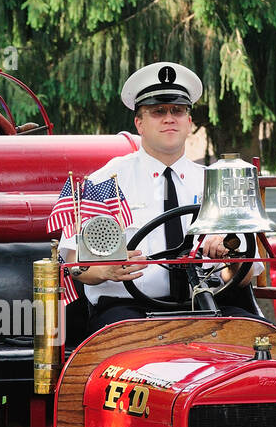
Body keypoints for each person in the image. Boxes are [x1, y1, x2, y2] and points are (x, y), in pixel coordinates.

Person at [56, 62, 257, 334]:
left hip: (209, 305)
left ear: (189, 123)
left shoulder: (220, 183)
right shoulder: (102, 182)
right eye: (158, 111)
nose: (169, 118)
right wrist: (105, 271)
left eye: (178, 110)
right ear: (139, 123)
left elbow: (245, 274)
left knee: (263, 346)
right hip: (127, 312)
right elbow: (73, 263)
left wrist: (231, 257)